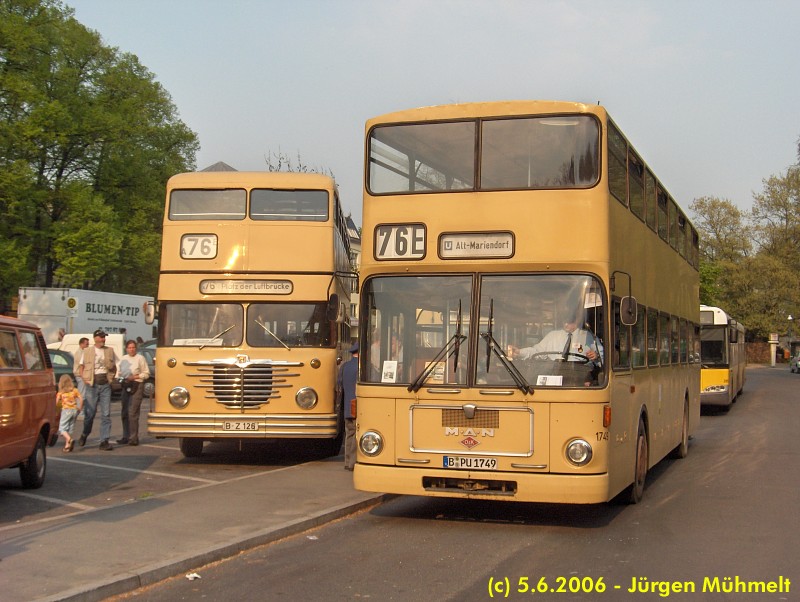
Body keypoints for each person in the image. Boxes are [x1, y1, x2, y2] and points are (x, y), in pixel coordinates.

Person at [77, 330, 119, 450]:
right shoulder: (87, 351)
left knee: (106, 414)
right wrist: (84, 379)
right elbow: (82, 367)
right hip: (92, 384)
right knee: (90, 413)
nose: (103, 339)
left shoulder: (109, 351)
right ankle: (85, 434)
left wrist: (111, 377)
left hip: (105, 384)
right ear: (95, 338)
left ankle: (104, 441)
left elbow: (114, 366)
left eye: (104, 337)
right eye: (101, 337)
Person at [117, 340, 150, 446]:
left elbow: (146, 373)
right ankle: (125, 436)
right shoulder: (123, 359)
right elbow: (118, 372)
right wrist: (121, 378)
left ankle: (133, 437)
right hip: (126, 385)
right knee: (124, 412)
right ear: (126, 349)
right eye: (129, 348)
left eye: (133, 347)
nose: (131, 349)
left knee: (133, 412)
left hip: (136, 385)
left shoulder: (140, 358)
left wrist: (135, 377)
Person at [338, 342, 359, 471]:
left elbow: (339, 383)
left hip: (347, 405)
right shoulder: (363, 367)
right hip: (358, 405)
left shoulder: (344, 366)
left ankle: (347, 461)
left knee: (349, 433)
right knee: (357, 433)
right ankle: (353, 462)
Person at [56, 374, 83, 452]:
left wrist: (57, 411)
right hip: (74, 410)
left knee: (62, 428)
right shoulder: (74, 390)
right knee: (69, 428)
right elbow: (81, 399)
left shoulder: (61, 392)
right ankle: (67, 445)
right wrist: (80, 408)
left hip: (66, 410)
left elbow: (57, 403)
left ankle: (69, 439)